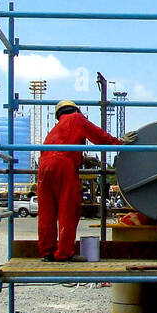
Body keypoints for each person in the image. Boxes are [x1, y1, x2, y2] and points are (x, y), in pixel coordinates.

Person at [37, 100, 126, 262]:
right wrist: (120, 143)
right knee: (68, 208)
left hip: (44, 167)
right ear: (76, 110)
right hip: (64, 165)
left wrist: (83, 159)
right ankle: (64, 253)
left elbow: (58, 151)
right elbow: (99, 137)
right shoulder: (76, 119)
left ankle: (47, 252)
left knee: (47, 212)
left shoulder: (55, 130)